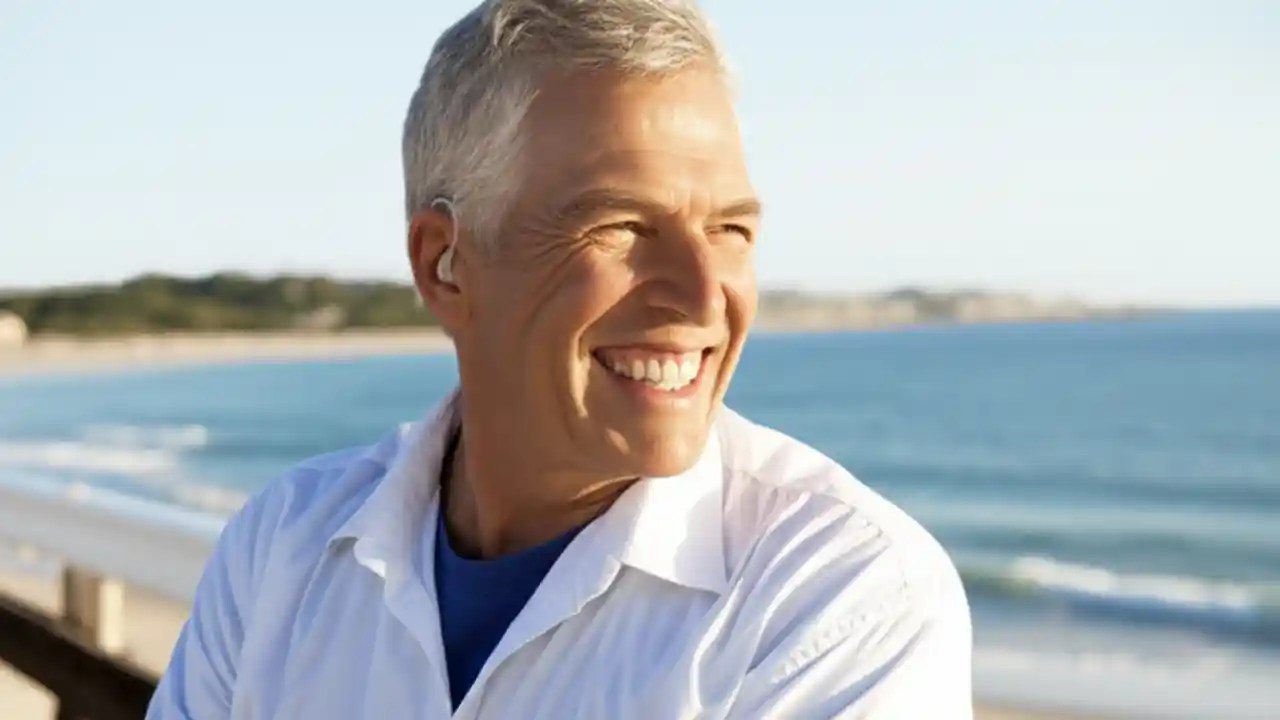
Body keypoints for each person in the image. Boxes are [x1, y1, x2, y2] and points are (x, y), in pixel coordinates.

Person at [147, 1, 972, 717]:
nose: (700, 295)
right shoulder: (282, 551)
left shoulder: (837, 601)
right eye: (620, 226)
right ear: (445, 264)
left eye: (730, 230)